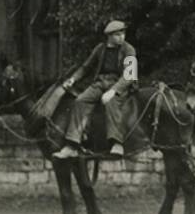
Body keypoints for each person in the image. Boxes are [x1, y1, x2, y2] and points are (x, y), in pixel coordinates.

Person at [53, 20, 137, 158]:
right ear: (109, 36)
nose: (122, 37)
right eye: (117, 34)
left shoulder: (129, 50)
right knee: (80, 101)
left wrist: (112, 91)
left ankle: (117, 144)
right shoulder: (100, 49)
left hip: (120, 84)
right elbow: (86, 67)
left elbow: (129, 76)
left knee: (111, 102)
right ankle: (72, 145)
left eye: (123, 33)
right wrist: (73, 79)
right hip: (100, 83)